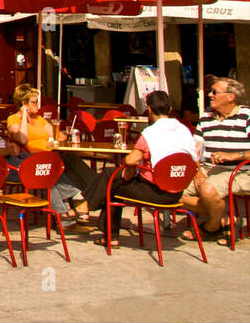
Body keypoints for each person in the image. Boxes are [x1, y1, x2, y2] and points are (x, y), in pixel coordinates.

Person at [82, 89, 197, 240]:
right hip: (177, 191)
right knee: (114, 181)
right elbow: (193, 160)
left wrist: (130, 168)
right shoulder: (184, 130)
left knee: (111, 178)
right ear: (170, 109)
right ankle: (97, 221)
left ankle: (88, 212)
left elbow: (130, 160)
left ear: (149, 109)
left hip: (155, 192)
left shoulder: (150, 133)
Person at [179, 77, 249, 243]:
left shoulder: (247, 116)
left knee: (208, 189)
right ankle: (223, 219)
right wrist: (196, 174)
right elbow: (194, 151)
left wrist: (235, 156)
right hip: (208, 168)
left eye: (214, 92)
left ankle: (210, 227)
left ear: (230, 97)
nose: (210, 95)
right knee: (169, 189)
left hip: (241, 170)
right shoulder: (206, 118)